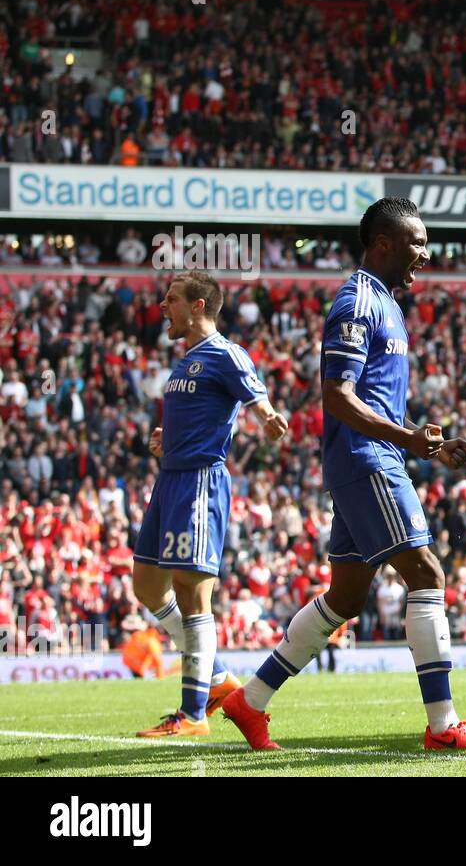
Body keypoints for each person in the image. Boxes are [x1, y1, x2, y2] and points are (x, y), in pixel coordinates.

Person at [221, 197, 466, 750]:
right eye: (416, 242)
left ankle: (249, 700)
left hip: (372, 457)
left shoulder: (387, 304)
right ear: (382, 244)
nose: (425, 253)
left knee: (347, 598)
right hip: (367, 459)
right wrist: (405, 440)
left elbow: (371, 400)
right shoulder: (357, 302)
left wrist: (422, 441)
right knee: (427, 574)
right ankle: (444, 726)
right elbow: (337, 396)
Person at [133, 270, 288, 738]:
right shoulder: (186, 361)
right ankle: (216, 677)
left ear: (198, 305)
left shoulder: (224, 353)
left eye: (172, 299)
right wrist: (167, 439)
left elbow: (254, 392)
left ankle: (193, 713)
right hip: (170, 478)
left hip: (199, 481)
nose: (163, 306)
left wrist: (268, 418)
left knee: (192, 594)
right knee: (147, 586)